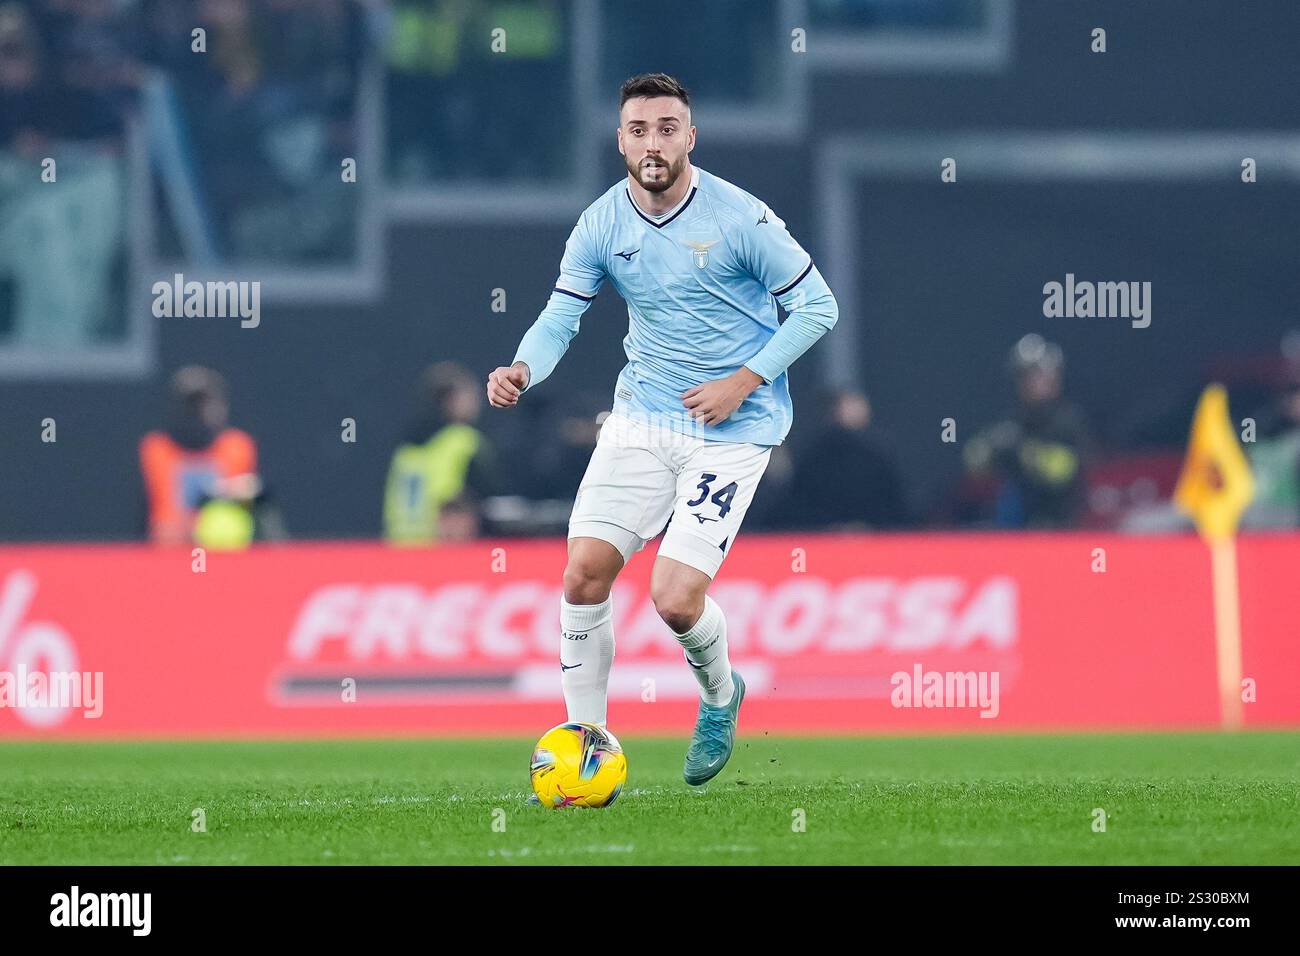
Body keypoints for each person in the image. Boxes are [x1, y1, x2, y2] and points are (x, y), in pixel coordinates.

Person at [485, 73, 838, 786]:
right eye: (640, 130)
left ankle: (720, 695)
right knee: (584, 573)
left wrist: (744, 380)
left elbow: (818, 307)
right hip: (643, 417)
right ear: (621, 142)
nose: (654, 143)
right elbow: (561, 316)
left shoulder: (741, 219)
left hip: (735, 429)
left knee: (675, 600)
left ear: (690, 139)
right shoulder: (601, 224)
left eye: (668, 129)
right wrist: (524, 366)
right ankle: (586, 745)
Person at [963, 334, 1092, 528]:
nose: (1030, 382)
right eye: (1023, 376)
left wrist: (1025, 452)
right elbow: (974, 461)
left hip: (1061, 526)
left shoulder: (1068, 421)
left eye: (1036, 374)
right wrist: (991, 448)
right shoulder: (1013, 421)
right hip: (1017, 527)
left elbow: (1066, 471)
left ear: (1054, 377)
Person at [139, 366, 261, 546]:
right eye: (191, 404)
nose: (197, 413)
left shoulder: (237, 446)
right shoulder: (156, 448)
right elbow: (165, 526)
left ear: (221, 407)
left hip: (226, 552)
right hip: (171, 552)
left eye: (205, 403)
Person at [384, 361, 499, 544]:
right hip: (444, 547)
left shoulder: (406, 449)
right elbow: (489, 498)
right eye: (471, 395)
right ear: (452, 400)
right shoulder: (464, 441)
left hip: (401, 545)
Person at [785, 389, 909, 530]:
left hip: (875, 536)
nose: (849, 411)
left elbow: (893, 506)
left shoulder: (879, 455)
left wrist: (866, 528)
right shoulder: (815, 457)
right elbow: (801, 505)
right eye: (842, 405)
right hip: (822, 536)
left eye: (854, 404)